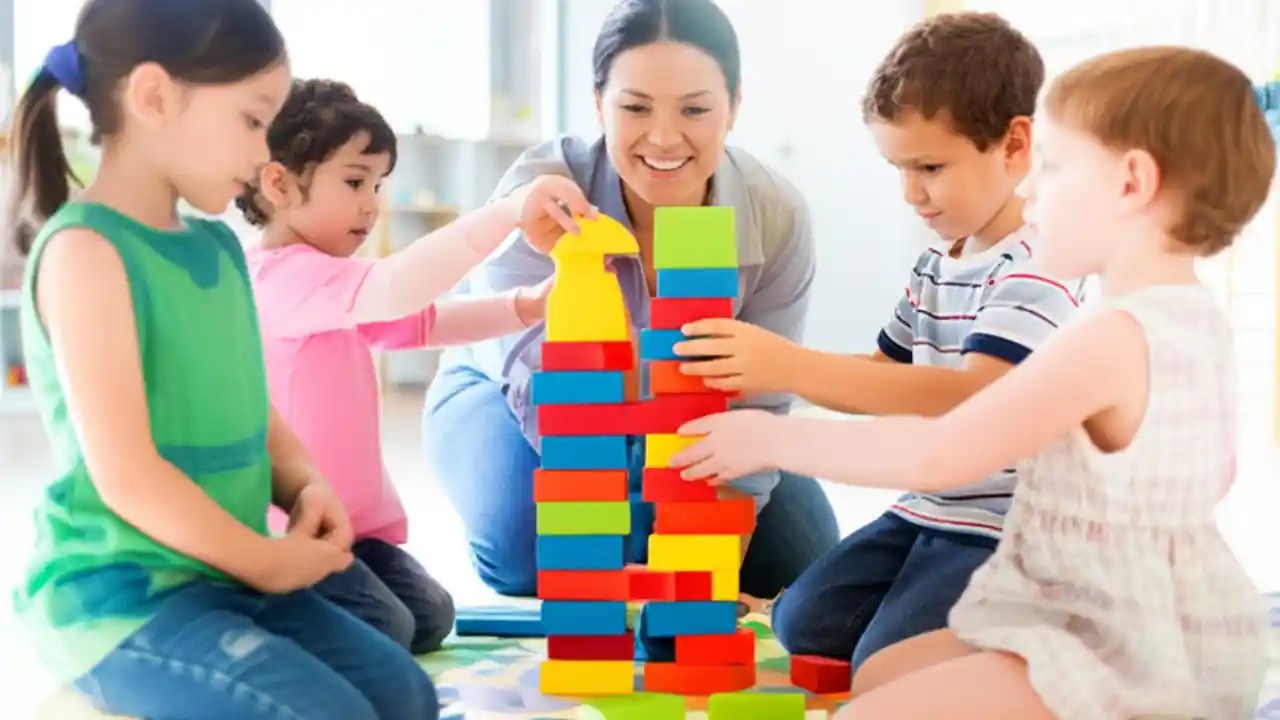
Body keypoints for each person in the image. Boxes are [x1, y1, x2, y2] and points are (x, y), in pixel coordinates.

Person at [673, 45, 1275, 720]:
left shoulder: (1109, 337)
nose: (1030, 190)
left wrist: (771, 437)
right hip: (1169, 621)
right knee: (886, 669)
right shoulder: (1196, 321)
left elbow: (941, 450)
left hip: (1124, 648)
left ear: (1131, 183)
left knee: (865, 709)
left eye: (1050, 167)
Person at [8, 2, 434, 717]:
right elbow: (130, 478)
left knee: (408, 697)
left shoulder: (216, 249)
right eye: (251, 119)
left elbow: (250, 407)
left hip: (228, 581)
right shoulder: (85, 253)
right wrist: (269, 562)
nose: (264, 150)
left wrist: (304, 485)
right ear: (153, 97)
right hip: (126, 599)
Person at [672, 12, 1084, 671]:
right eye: (897, 167)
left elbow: (971, 397)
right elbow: (881, 376)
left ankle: (1056, 623)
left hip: (1012, 532)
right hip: (933, 511)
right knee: (800, 620)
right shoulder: (936, 262)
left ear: (1014, 145)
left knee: (886, 658)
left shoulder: (1039, 264)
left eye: (929, 166)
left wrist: (792, 365)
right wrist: (765, 371)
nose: (910, 193)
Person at [422, 0, 839, 644]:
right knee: (524, 554)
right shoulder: (542, 190)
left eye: (695, 110)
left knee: (796, 559)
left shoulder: (777, 213)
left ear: (734, 104)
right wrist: (628, 545)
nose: (665, 138)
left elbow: (761, 400)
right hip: (510, 400)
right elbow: (554, 405)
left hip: (696, 422)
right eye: (636, 108)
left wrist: (706, 558)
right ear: (599, 104)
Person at [237, 78, 593, 654]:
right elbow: (397, 288)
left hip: (349, 532)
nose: (370, 203)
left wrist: (525, 307)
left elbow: (427, 322)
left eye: (376, 184)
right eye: (354, 182)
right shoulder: (278, 279)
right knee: (388, 629)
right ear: (278, 183)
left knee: (430, 617)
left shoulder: (334, 286)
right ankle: (256, 612)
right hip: (292, 535)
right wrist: (504, 215)